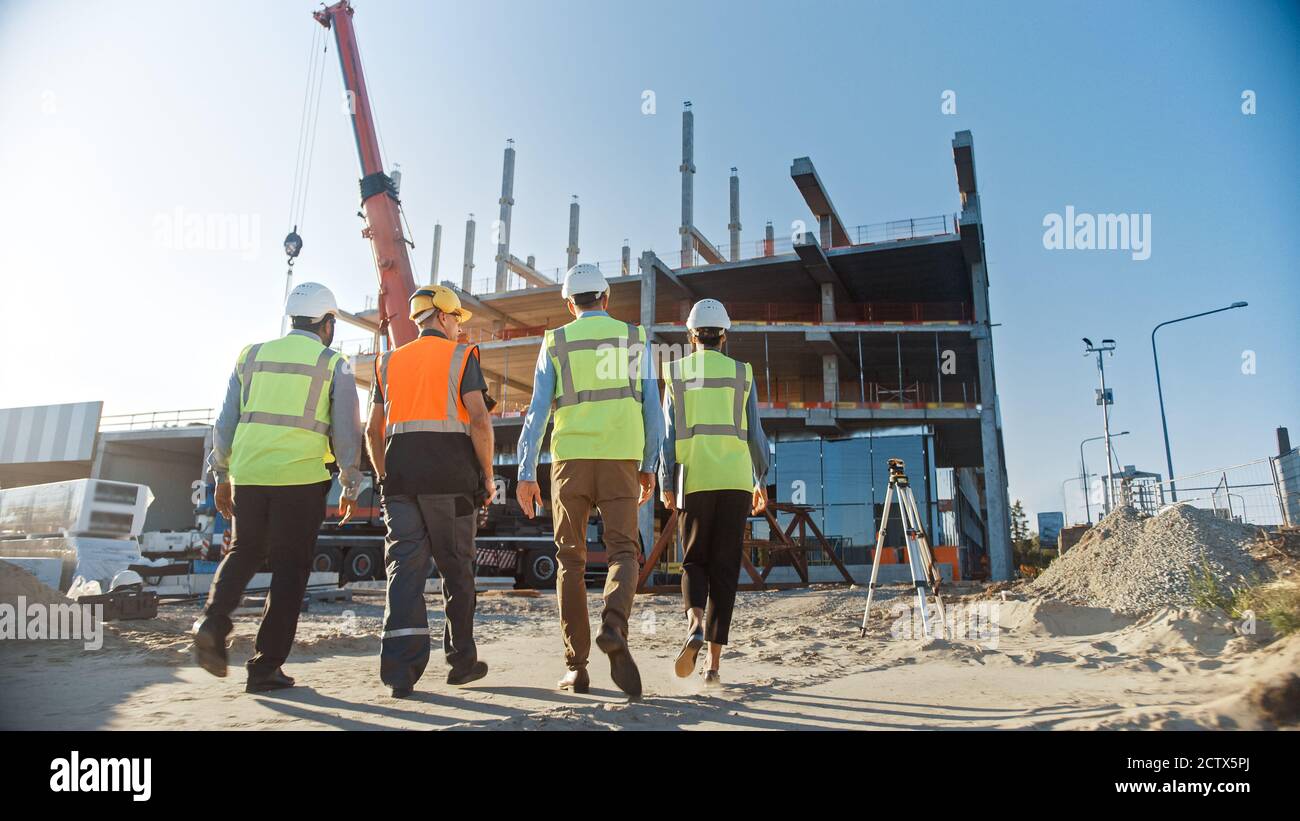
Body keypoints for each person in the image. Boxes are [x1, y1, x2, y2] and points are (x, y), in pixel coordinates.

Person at [195, 281, 362, 693]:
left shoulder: (250, 355)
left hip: (249, 473)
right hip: (301, 478)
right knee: (290, 570)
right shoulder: (334, 362)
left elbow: (225, 423)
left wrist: (221, 475)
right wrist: (350, 483)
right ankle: (265, 667)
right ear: (327, 323)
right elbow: (346, 432)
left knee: (244, 551)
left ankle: (212, 623)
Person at [515, 263, 662, 699]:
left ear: (568, 303)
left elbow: (537, 411)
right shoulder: (634, 338)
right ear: (606, 298)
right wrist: (649, 463)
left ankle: (576, 669)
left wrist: (526, 472)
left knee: (570, 561)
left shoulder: (555, 341)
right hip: (620, 458)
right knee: (623, 550)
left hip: (570, 462)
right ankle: (614, 624)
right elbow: (651, 407)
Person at [365, 285, 496, 698]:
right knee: (457, 572)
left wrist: (387, 476)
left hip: (401, 486)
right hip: (453, 485)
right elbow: (479, 420)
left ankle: (400, 672)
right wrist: (488, 476)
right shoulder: (462, 357)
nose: (459, 325)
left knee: (404, 572)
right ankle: (461, 663)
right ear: (442, 316)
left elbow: (372, 430)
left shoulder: (387, 362)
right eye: (457, 317)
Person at [659, 299, 769, 687]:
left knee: (693, 562)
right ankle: (713, 666)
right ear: (724, 335)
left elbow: (667, 436)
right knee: (725, 569)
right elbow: (754, 432)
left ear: (691, 336)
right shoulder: (743, 373)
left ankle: (693, 623)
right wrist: (761, 478)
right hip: (736, 478)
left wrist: (666, 481)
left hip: (693, 477)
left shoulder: (674, 373)